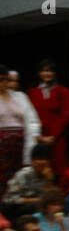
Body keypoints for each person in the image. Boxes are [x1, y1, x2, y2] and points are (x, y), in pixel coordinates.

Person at [0, 65, 41, 203]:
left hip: (20, 142)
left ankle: (15, 206)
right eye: (0, 80)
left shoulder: (20, 97)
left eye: (6, 79)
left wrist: (33, 140)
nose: (4, 83)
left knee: (19, 176)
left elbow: (32, 120)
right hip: (1, 144)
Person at [28, 59, 69, 175]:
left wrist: (53, 136)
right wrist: (38, 136)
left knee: (59, 168)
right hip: (39, 137)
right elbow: (29, 115)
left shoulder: (64, 92)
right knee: (40, 168)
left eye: (50, 71)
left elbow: (67, 115)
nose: (47, 74)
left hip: (58, 137)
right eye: (43, 71)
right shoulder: (32, 92)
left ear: (54, 73)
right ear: (39, 74)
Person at [3, 146, 57, 217]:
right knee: (38, 205)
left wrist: (49, 180)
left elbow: (50, 197)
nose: (43, 162)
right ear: (32, 161)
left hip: (37, 204)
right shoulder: (23, 174)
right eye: (39, 159)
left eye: (46, 159)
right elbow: (11, 199)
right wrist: (37, 200)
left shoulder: (48, 175)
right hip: (14, 207)